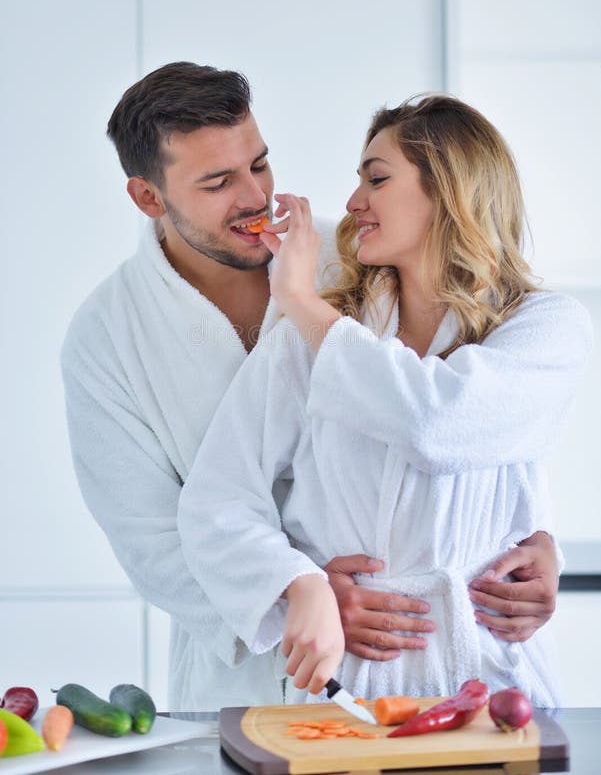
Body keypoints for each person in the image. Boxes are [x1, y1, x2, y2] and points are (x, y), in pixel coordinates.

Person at [61, 64, 561, 711]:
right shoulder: (106, 335)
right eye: (216, 182)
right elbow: (149, 536)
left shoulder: (352, 256)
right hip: (244, 664)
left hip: (423, 646)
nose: (253, 197)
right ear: (149, 198)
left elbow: (472, 394)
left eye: (259, 165)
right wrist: (293, 590)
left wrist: (533, 539)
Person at [178, 94, 592, 708]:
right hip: (355, 682)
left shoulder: (547, 327)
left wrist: (299, 298)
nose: (353, 203)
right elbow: (216, 502)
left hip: (494, 675)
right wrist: (299, 584)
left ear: (450, 189)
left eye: (377, 178)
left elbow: (440, 423)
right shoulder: (305, 344)